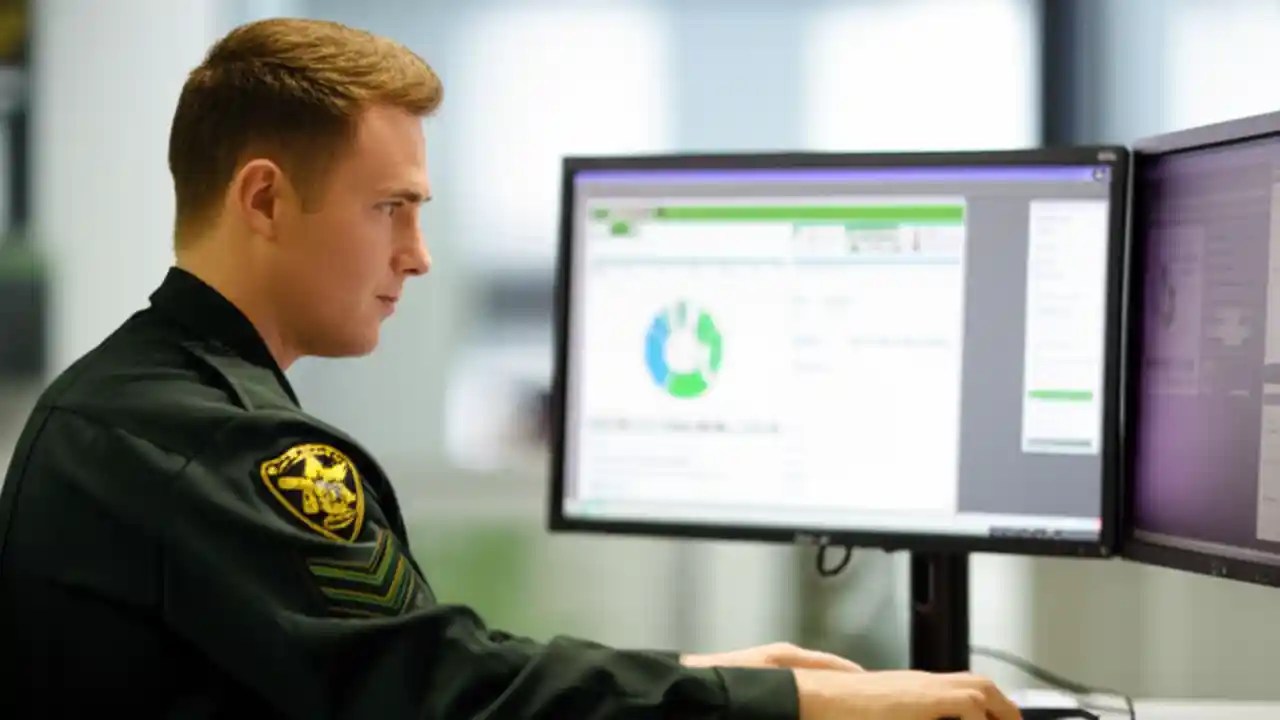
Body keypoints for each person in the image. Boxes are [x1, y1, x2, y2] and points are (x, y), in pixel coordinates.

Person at [0, 17, 1020, 720]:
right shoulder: (217, 444)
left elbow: (420, 664)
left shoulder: (137, 406)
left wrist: (708, 675)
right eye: (389, 207)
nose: (417, 253)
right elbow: (443, 694)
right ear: (263, 200)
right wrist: (790, 702)